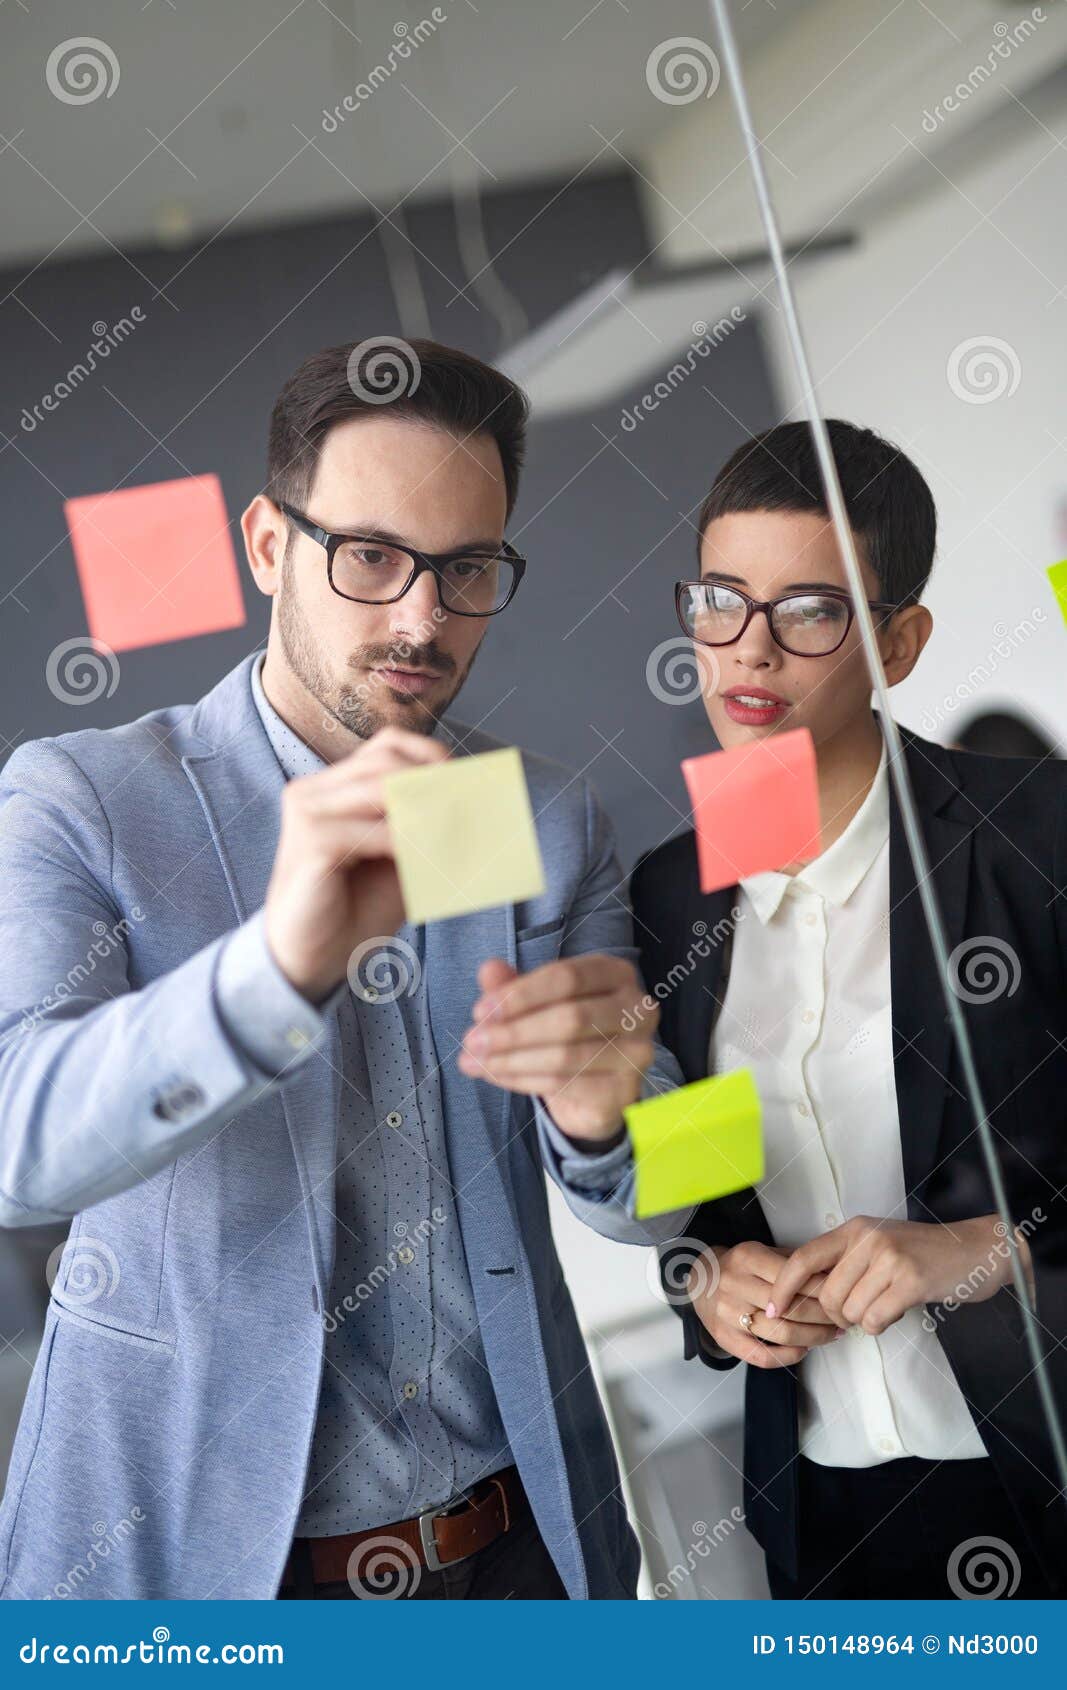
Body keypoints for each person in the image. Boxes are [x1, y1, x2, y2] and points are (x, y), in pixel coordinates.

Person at [0, 338, 688, 1601]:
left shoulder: (537, 820)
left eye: (465, 569)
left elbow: (672, 1193)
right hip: (200, 1578)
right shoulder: (81, 798)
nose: (420, 617)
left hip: (516, 1559)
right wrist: (274, 970)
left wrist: (609, 1122)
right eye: (368, 556)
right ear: (268, 545)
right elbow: (16, 1149)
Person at [626, 421, 1067, 1598]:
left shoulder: (1034, 830)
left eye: (808, 610)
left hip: (1041, 1463)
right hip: (827, 1510)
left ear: (898, 642)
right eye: (719, 599)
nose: (746, 652)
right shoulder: (671, 896)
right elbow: (696, 1192)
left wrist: (993, 1247)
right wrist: (710, 1287)